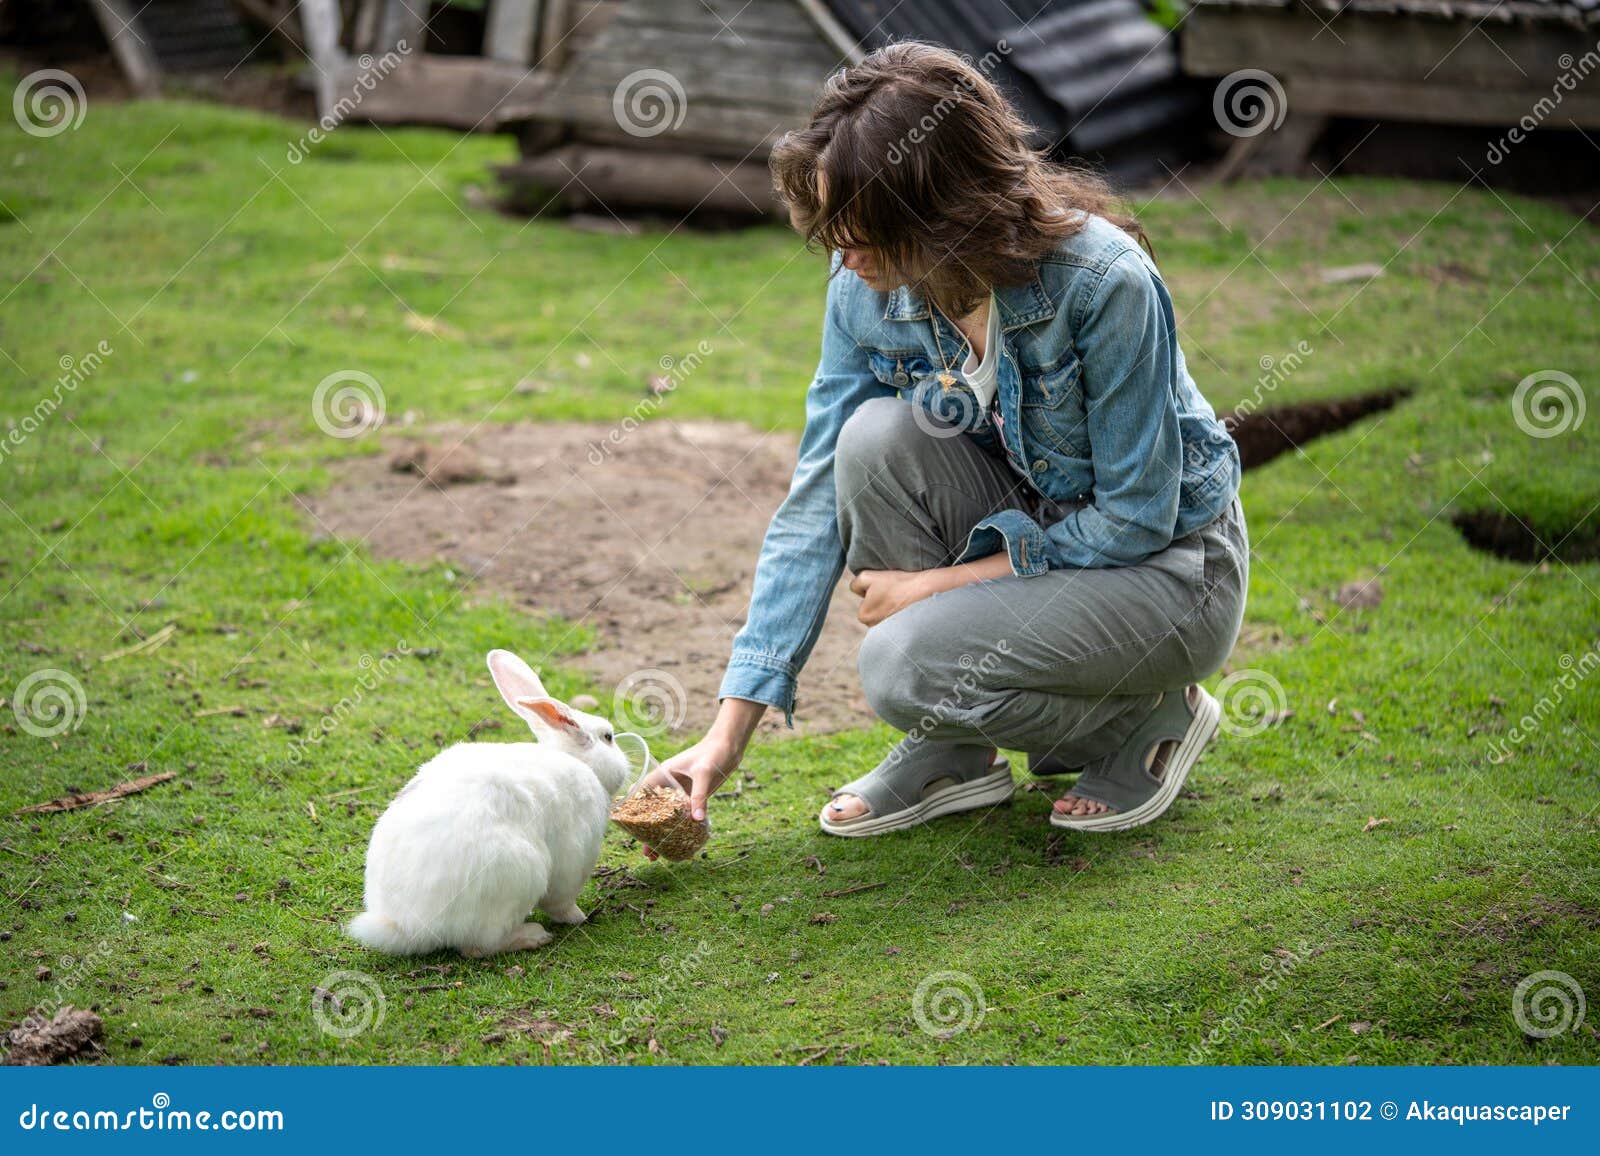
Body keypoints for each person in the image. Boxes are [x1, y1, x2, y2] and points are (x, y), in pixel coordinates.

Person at [648, 41, 1247, 846]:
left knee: (902, 662)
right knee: (872, 439)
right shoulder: (864, 288)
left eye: (864, 228)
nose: (842, 252)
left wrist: (940, 587)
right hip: (1042, 535)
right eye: (829, 225)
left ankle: (1143, 718)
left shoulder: (1106, 285)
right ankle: (954, 753)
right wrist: (728, 734)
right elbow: (819, 492)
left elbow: (1136, 519)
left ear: (947, 209)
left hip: (1171, 571)